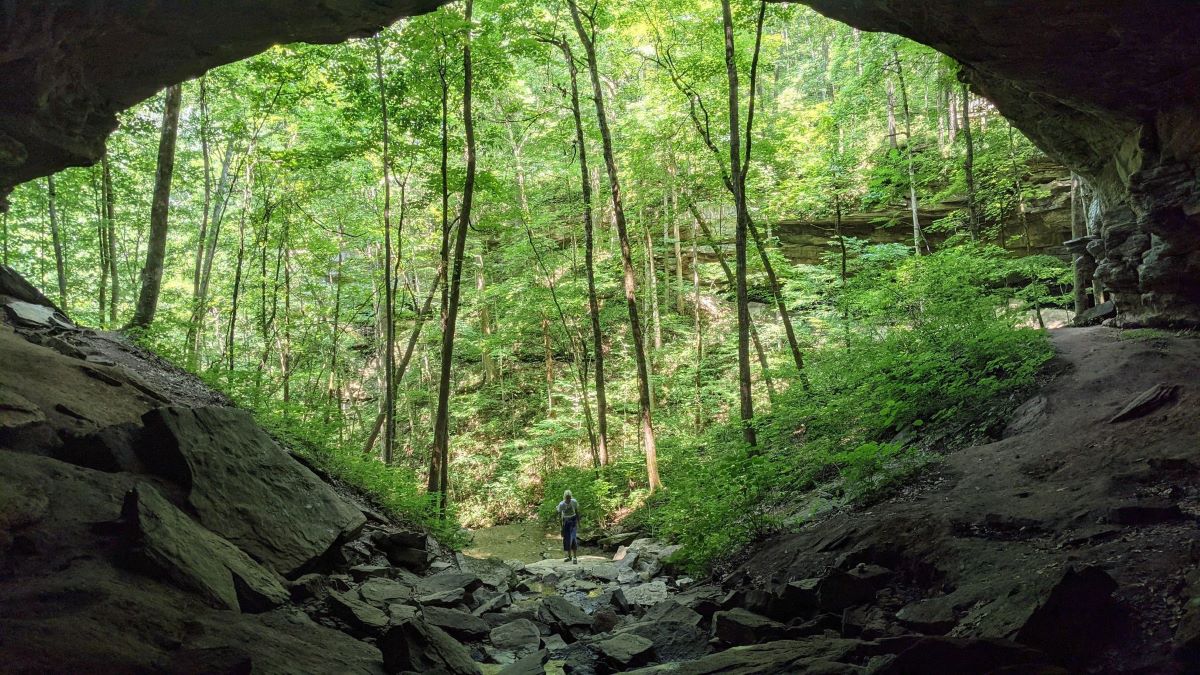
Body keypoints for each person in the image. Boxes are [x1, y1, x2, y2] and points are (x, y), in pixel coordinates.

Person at [556, 489, 581, 563]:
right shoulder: (561, 505)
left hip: (573, 521)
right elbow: (559, 517)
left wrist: (579, 523)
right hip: (566, 522)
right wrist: (561, 528)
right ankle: (569, 556)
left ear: (571, 497)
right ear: (564, 497)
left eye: (569, 497)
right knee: (567, 539)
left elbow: (577, 512)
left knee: (573, 538)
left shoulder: (574, 502)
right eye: (567, 498)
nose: (568, 499)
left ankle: (575, 557)